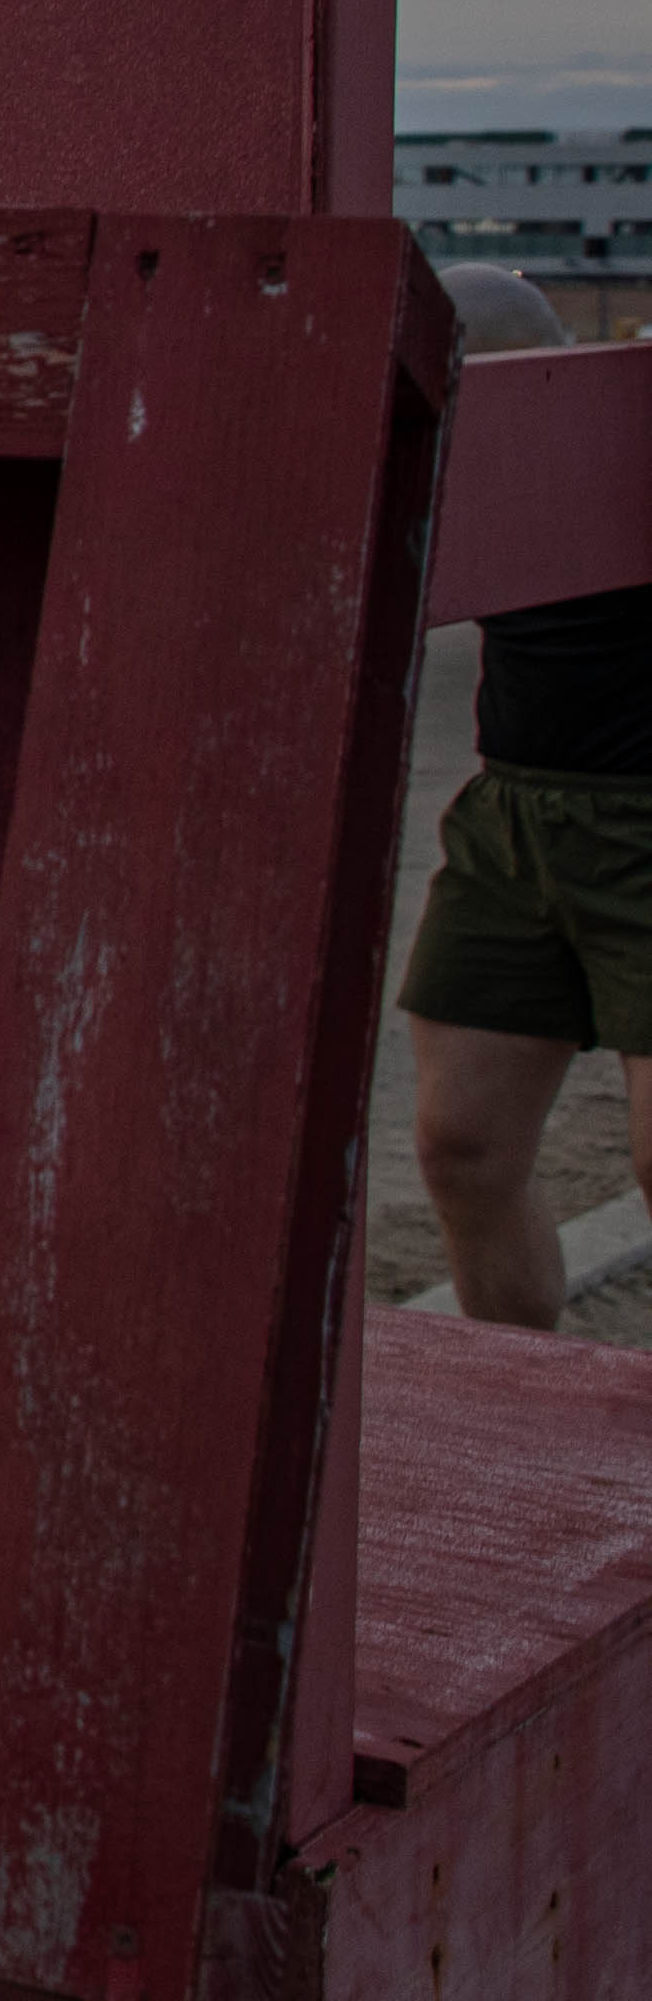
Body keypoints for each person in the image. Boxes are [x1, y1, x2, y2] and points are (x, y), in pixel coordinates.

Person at [410, 264, 652, 1329]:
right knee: (462, 1143)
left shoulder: (627, 430)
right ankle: (520, 1394)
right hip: (516, 814)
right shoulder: (451, 448)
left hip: (646, 814)